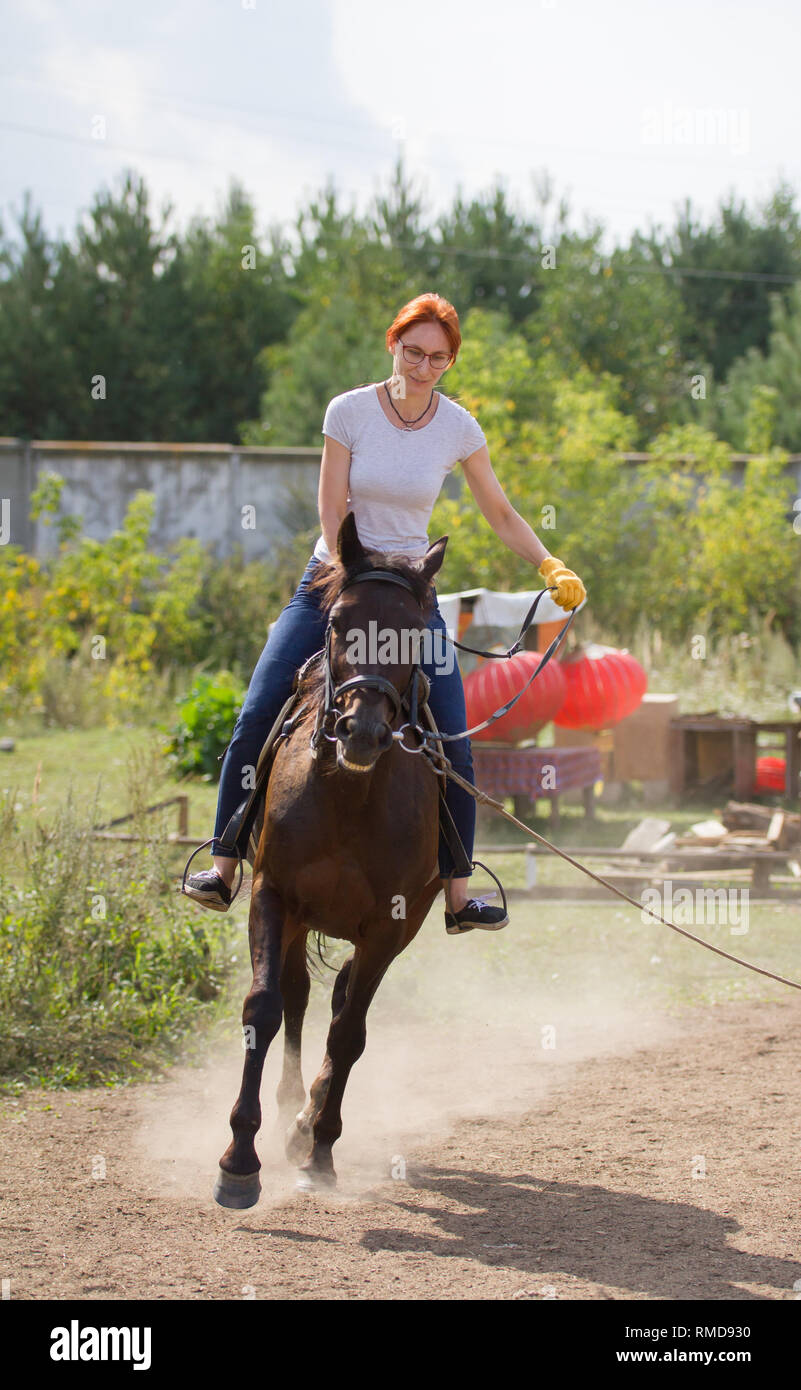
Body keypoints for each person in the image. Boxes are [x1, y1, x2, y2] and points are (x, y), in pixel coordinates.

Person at [184, 292, 586, 933]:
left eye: (437, 358)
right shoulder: (348, 412)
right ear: (393, 345)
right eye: (413, 351)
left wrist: (549, 565)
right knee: (258, 710)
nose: (422, 366)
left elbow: (501, 512)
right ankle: (225, 864)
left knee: (452, 736)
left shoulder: (459, 428)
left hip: (409, 594)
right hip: (334, 581)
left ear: (450, 362)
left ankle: (458, 895)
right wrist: (351, 575)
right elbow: (331, 504)